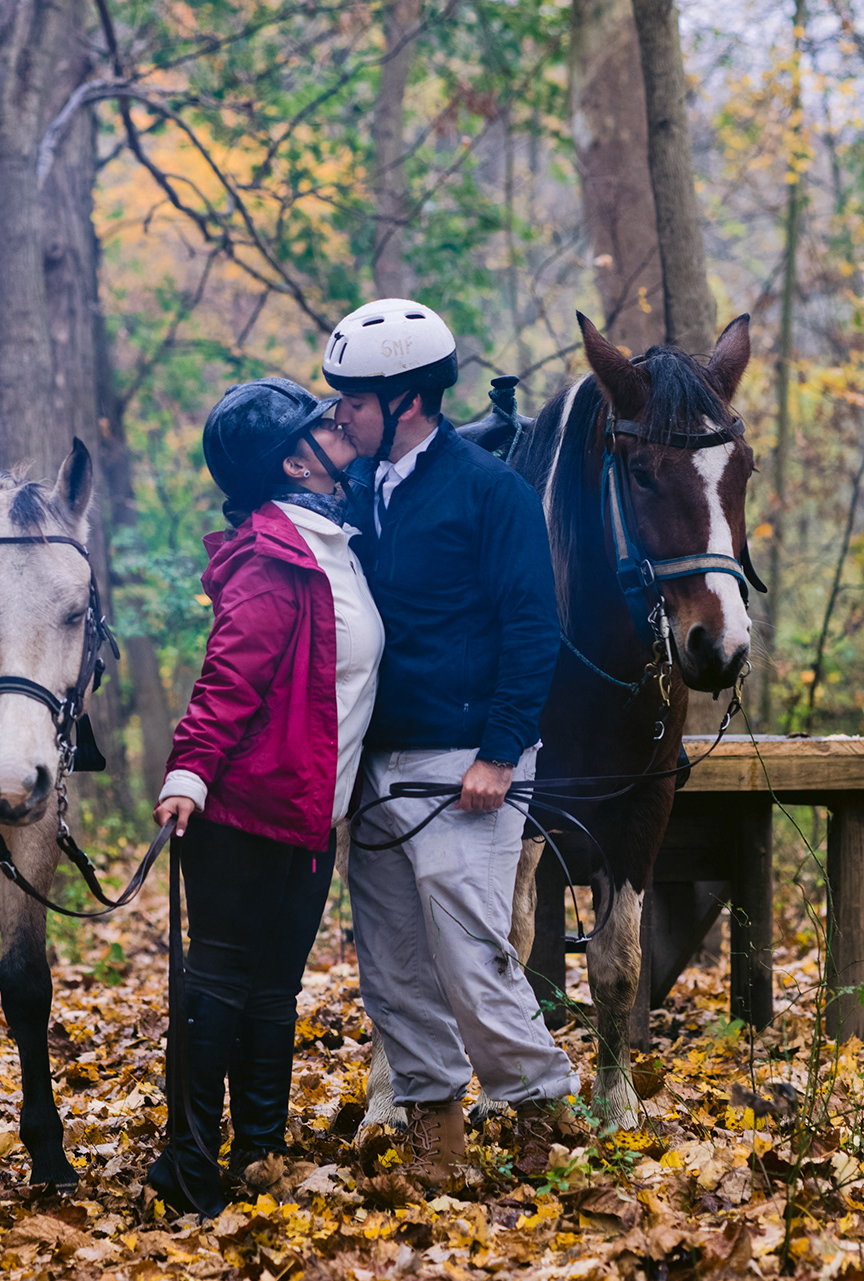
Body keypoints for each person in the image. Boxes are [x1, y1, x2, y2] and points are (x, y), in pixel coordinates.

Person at [324, 298, 579, 1188]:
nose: (340, 413)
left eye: (354, 399)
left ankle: (540, 1107)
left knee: (473, 951)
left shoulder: (489, 490)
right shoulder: (354, 491)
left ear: (409, 399)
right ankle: (438, 1125)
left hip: (467, 761)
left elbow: (531, 626)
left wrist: (501, 754)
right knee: (391, 957)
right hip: (375, 767)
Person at [144, 377, 382, 1217]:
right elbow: (228, 679)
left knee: (275, 987)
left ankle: (259, 1156)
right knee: (220, 981)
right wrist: (188, 772)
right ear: (293, 459)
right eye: (321, 423)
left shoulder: (335, 541)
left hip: (309, 813)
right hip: (245, 809)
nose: (337, 426)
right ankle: (188, 1164)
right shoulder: (272, 555)